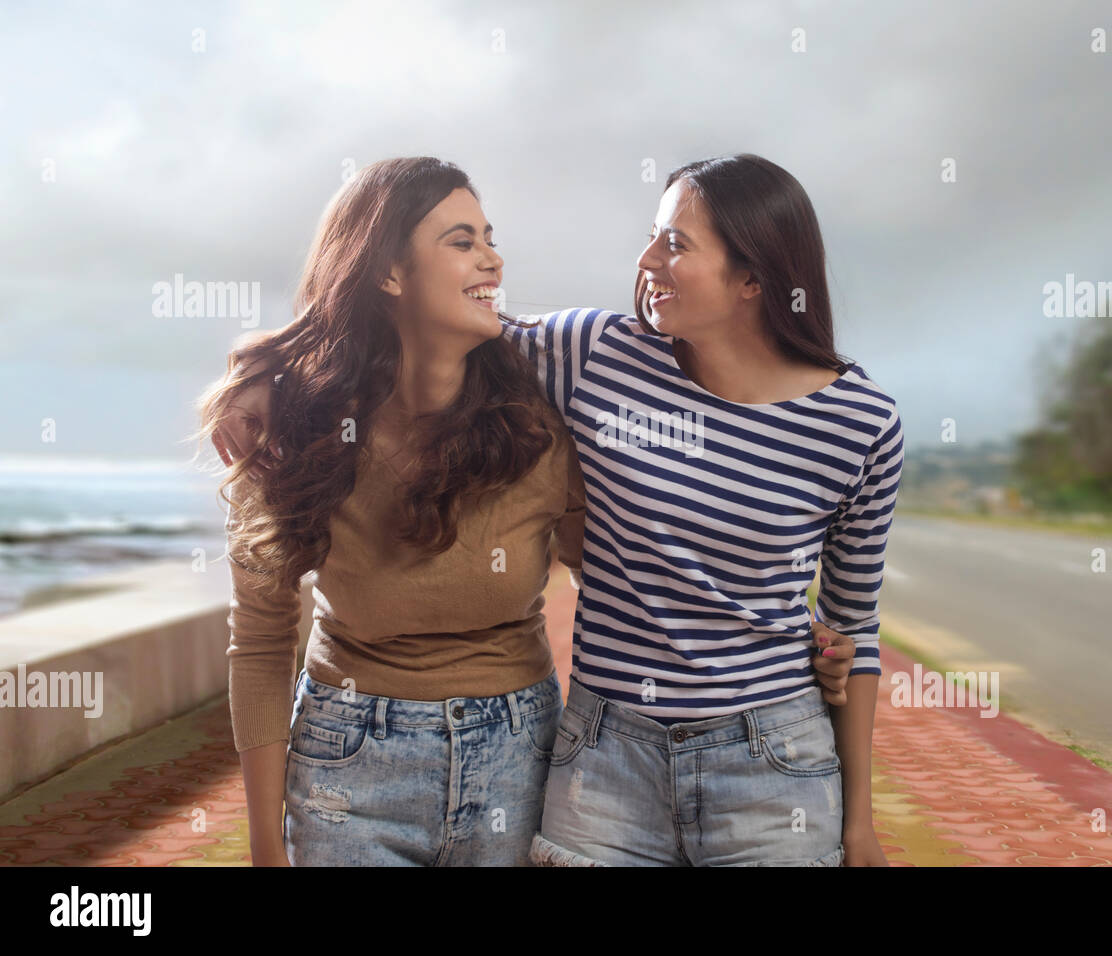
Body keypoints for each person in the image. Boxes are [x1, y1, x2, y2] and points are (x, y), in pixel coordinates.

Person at [209, 154, 892, 866]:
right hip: (584, 756)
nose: (646, 258)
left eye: (676, 244)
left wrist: (858, 811)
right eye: (655, 235)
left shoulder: (860, 422)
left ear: (753, 279)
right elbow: (391, 327)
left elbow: (852, 622)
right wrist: (261, 366)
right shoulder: (595, 355)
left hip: (734, 750)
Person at [197, 156, 586, 866]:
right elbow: (259, 640)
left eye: (490, 239)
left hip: (519, 760)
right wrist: (263, 847)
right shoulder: (293, 428)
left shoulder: (543, 419)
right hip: (347, 766)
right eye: (462, 242)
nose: (494, 261)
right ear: (388, 273)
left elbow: (618, 583)